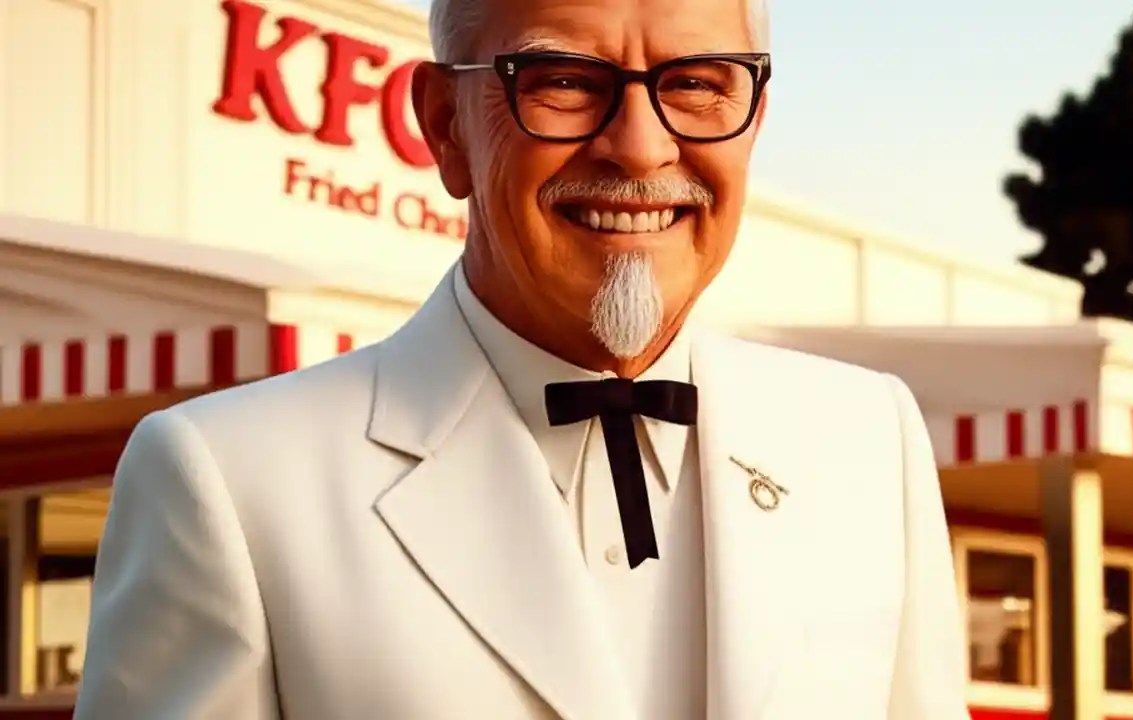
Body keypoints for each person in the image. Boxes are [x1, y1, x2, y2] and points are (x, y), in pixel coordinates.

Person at [73, 0, 969, 717]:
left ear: (755, 117)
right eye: (565, 82)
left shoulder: (867, 441)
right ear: (445, 124)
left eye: (697, 82)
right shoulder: (231, 480)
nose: (641, 146)